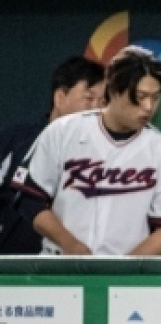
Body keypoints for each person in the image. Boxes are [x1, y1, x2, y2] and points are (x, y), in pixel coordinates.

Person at [10, 46, 161, 255]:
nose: (148, 107)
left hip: (126, 270)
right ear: (113, 90)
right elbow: (30, 200)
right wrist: (69, 244)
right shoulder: (62, 132)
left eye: (155, 97)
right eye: (140, 96)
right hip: (60, 264)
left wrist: (123, 268)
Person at [0, 56, 105, 253]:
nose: (97, 109)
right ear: (60, 97)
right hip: (13, 264)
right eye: (89, 99)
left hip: (77, 266)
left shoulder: (106, 153)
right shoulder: (17, 140)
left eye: (103, 102)